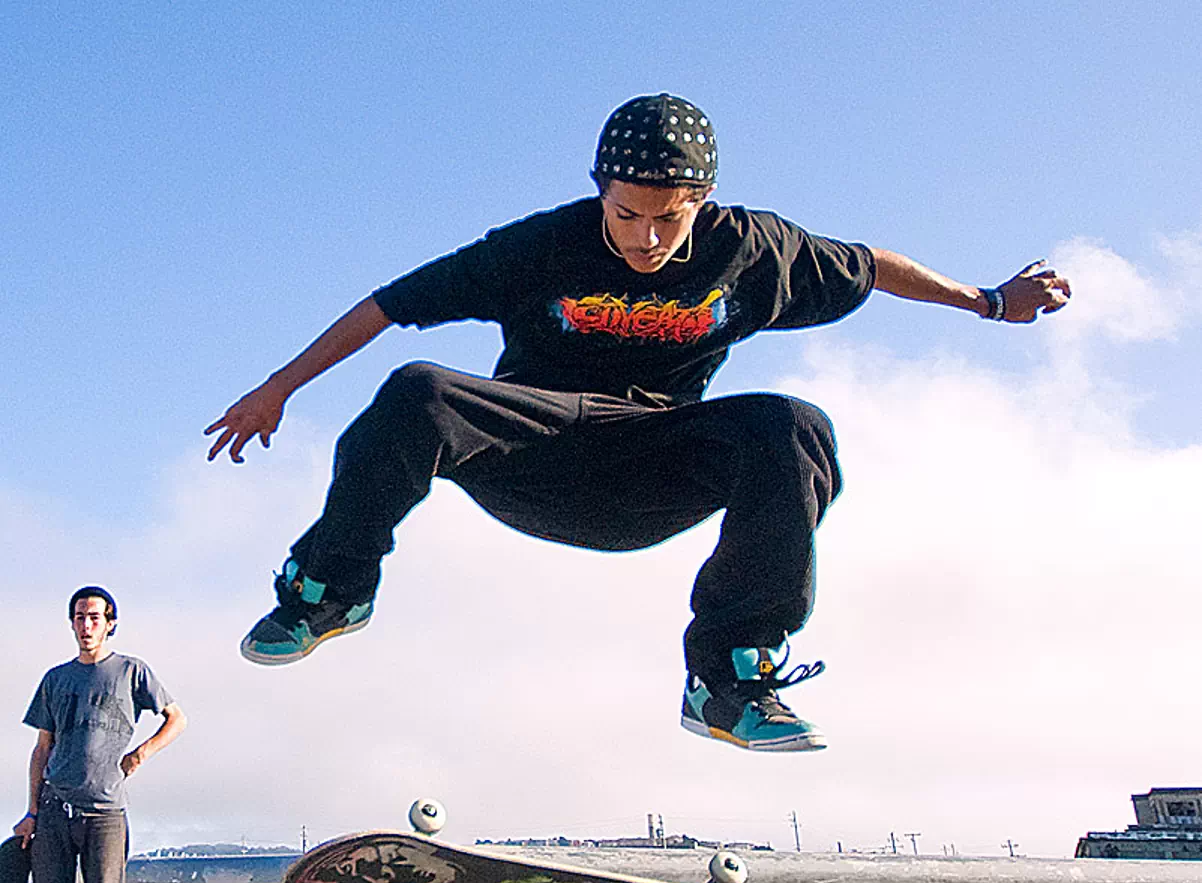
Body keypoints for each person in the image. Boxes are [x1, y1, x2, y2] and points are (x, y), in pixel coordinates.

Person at [205, 93, 1069, 752]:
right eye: (626, 215)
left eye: (669, 217)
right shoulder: (539, 245)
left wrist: (990, 302)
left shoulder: (754, 248)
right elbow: (389, 305)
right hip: (532, 452)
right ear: (599, 194)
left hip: (651, 465)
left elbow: (871, 265)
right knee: (420, 388)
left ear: (704, 201)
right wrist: (278, 386)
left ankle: (729, 677)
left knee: (791, 424)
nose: (647, 238)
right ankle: (331, 590)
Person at [7, 587, 186, 883]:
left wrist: (141, 754)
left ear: (111, 623)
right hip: (53, 812)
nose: (87, 625)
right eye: (80, 617)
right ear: (71, 624)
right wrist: (30, 812)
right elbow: (42, 748)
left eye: (95, 617)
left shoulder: (132, 671)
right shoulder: (56, 678)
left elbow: (177, 718)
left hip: (106, 814)